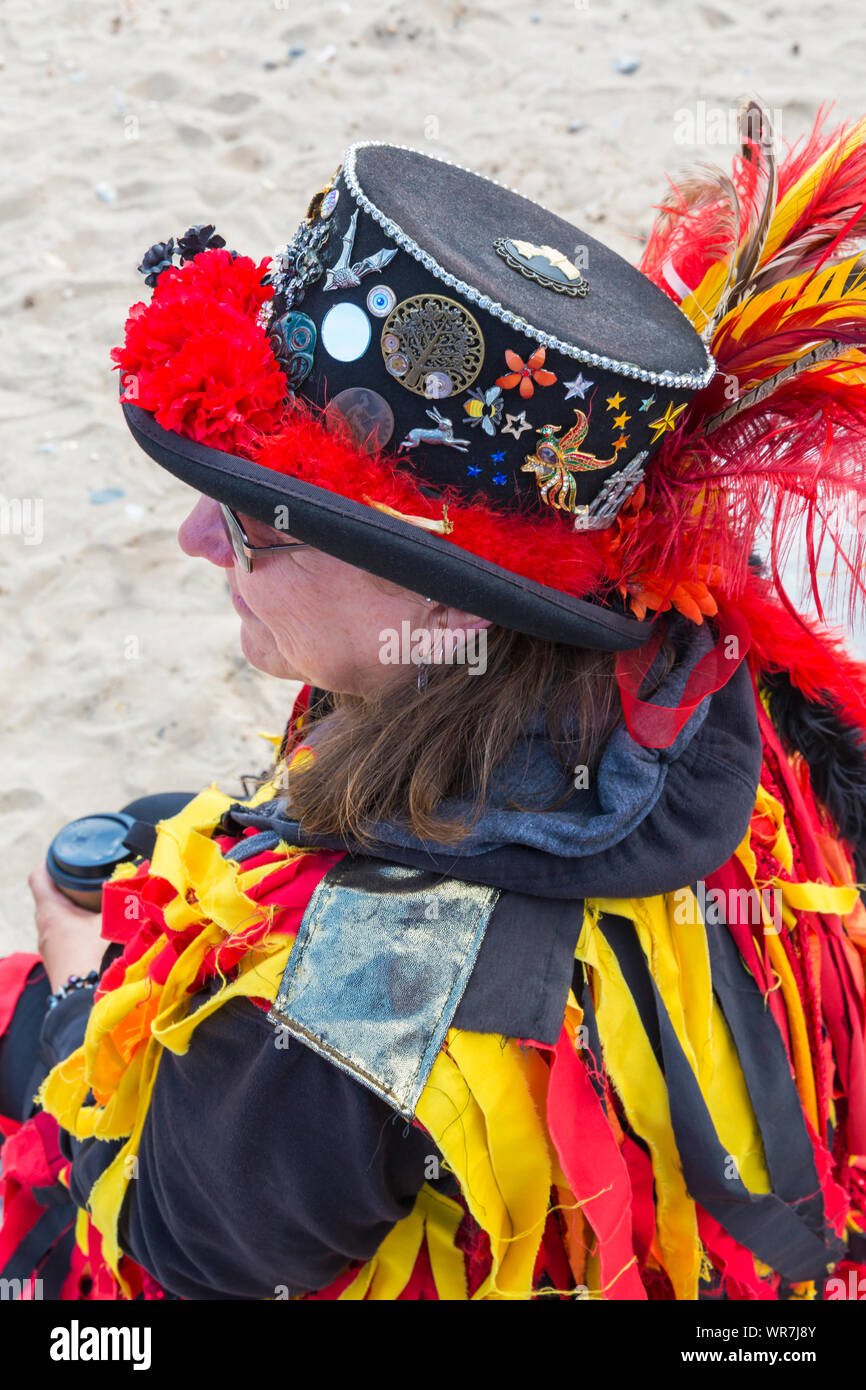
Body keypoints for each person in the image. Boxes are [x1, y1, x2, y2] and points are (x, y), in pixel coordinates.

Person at [2, 106, 866, 1302]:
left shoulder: (363, 987)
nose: (199, 538)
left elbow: (194, 1249)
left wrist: (75, 977)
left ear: (459, 609)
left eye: (259, 525)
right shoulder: (716, 675)